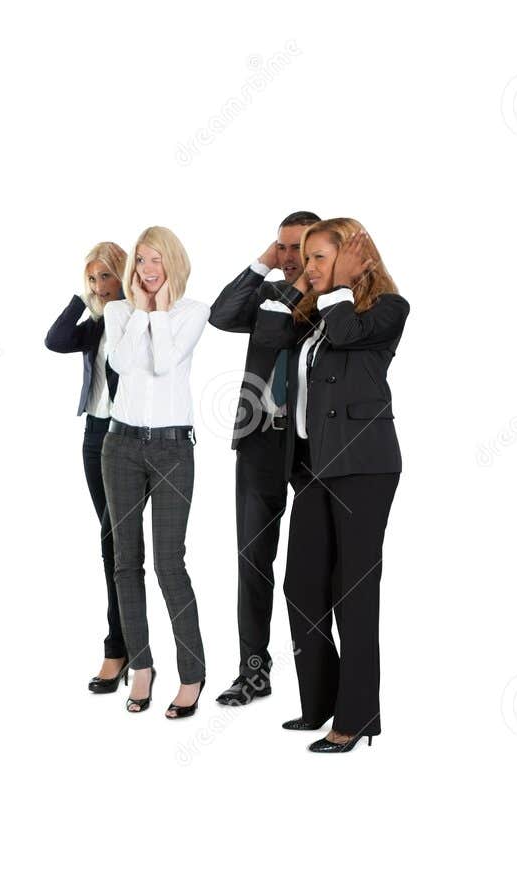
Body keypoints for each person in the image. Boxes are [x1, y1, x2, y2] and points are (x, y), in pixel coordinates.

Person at [251, 218, 408, 753]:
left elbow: (348, 335)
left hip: (364, 468)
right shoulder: (313, 316)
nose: (308, 266)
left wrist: (339, 286)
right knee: (302, 586)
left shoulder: (386, 310)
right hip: (315, 469)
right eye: (308, 257)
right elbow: (263, 332)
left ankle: (358, 715)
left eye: (320, 257)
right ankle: (320, 702)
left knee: (355, 592)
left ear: (353, 260)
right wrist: (302, 287)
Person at [207, 211, 320, 707]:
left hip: (314, 445)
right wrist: (264, 263)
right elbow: (221, 314)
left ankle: (318, 681)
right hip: (259, 439)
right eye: (284, 247)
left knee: (316, 566)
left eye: (299, 247)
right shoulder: (268, 295)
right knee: (253, 561)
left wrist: (303, 285)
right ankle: (253, 672)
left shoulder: (334, 300)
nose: (290, 257)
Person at [99, 226, 209, 719]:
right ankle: (140, 666)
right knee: (126, 562)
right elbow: (121, 364)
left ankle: (192, 673)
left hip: (170, 449)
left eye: (156, 259)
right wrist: (143, 312)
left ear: (173, 263)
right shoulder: (119, 311)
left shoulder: (192, 312)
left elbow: (165, 365)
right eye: (141, 259)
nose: (147, 268)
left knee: (169, 563)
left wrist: (160, 313)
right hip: (120, 445)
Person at [45, 243, 130, 694]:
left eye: (105, 277)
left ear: (124, 275)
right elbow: (55, 339)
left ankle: (123, 648)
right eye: (93, 278)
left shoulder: (136, 321)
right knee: (110, 541)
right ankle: (121, 646)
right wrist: (83, 299)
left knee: (121, 543)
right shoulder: (94, 325)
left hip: (130, 436)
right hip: (95, 433)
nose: (100, 286)